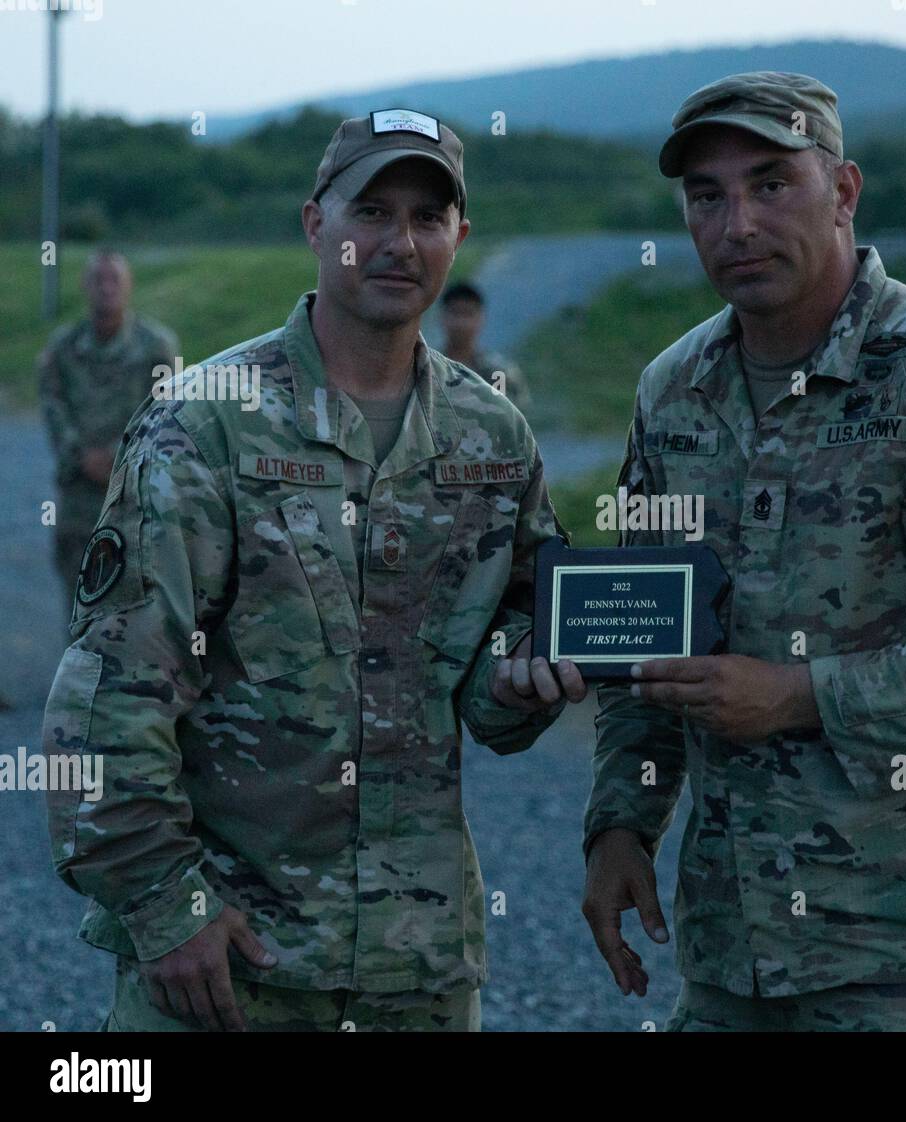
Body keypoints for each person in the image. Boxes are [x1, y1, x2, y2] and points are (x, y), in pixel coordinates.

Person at [41, 109, 585, 1033]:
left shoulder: (492, 437)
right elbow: (106, 702)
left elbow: (500, 665)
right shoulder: (204, 424)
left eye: (426, 216)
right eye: (370, 212)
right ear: (314, 224)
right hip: (226, 971)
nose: (398, 242)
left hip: (416, 972)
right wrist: (166, 913)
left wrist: (527, 681)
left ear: (460, 235)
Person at [579, 72, 906, 1032]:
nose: (736, 224)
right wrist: (621, 823)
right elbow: (643, 633)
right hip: (733, 954)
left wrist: (799, 695)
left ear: (845, 192)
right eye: (706, 196)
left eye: (772, 184)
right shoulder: (676, 390)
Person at [38, 251, 178, 609]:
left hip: (134, 500)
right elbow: (53, 405)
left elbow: (165, 413)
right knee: (79, 611)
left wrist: (118, 455)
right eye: (98, 279)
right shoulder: (63, 347)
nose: (106, 288)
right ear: (85, 286)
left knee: (137, 615)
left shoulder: (157, 347)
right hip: (79, 501)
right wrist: (79, 455)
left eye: (114, 279)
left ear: (129, 285)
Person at [439, 281, 532, 412]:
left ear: (481, 318)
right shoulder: (427, 368)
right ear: (442, 317)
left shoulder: (498, 373)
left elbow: (512, 420)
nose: (461, 323)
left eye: (468, 314)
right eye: (455, 313)